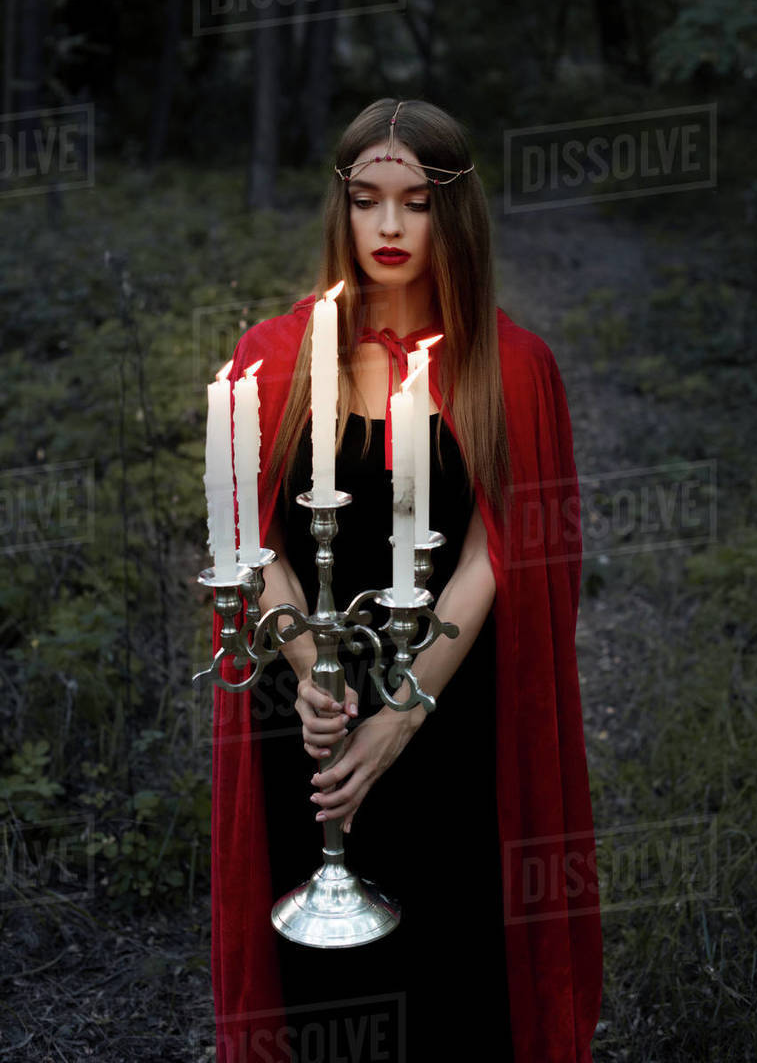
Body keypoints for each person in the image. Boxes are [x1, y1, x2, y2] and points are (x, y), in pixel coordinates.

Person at [210, 98, 603, 1063]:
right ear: (339, 209)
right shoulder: (272, 358)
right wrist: (312, 676)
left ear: (452, 212)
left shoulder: (509, 366)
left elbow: (495, 552)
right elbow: (257, 545)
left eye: (414, 202)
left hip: (453, 703)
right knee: (322, 977)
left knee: (450, 965)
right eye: (366, 200)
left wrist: (405, 713)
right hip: (309, 722)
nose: (388, 228)